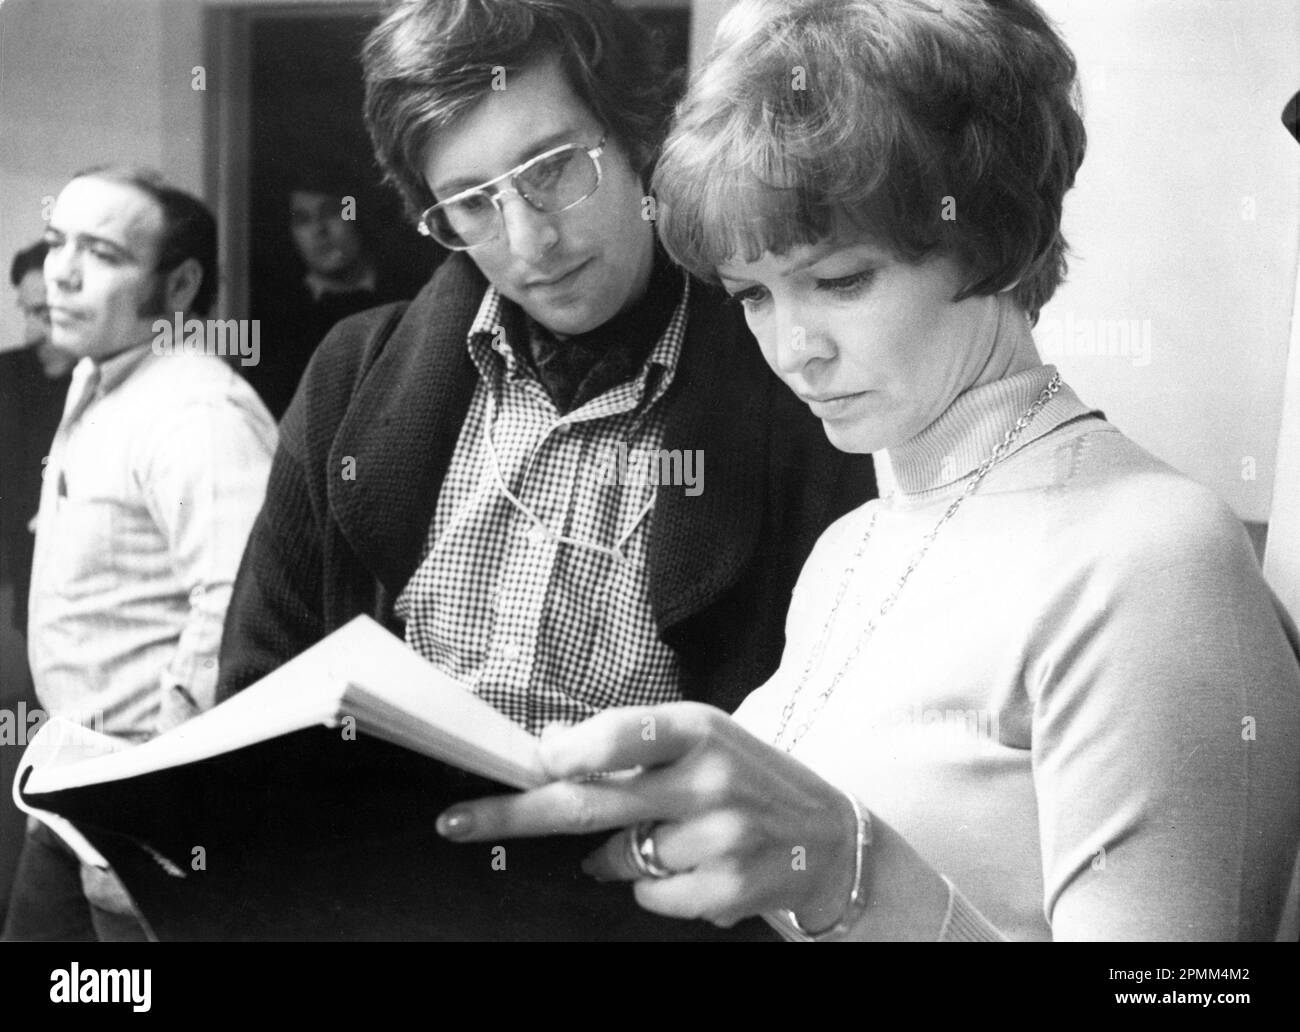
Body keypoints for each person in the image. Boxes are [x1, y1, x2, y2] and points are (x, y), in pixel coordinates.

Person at [430, 0, 1300, 941]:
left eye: (840, 281)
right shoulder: (847, 551)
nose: (794, 349)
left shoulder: (1151, 553)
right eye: (753, 296)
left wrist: (848, 870)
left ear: (993, 240)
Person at [215, 0, 874, 937]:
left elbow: (831, 782)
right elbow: (254, 702)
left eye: (555, 169)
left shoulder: (797, 380)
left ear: (641, 136)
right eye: (473, 204)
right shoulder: (353, 373)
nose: (529, 245)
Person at [2, 167, 277, 941]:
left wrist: (159, 810)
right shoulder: (99, 375)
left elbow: (236, 606)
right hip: (72, 780)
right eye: (58, 242)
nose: (61, 270)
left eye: (102, 252)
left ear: (179, 284)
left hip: (142, 805)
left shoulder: (196, 412)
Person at [0, 240, 76, 931]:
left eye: (46, 312)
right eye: (26, 312)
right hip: (17, 610)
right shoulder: (6, 379)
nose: (33, 331)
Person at [245, 166, 413, 419]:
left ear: (357, 214)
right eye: (303, 219)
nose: (319, 230)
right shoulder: (278, 318)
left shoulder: (408, 293)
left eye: (332, 212)